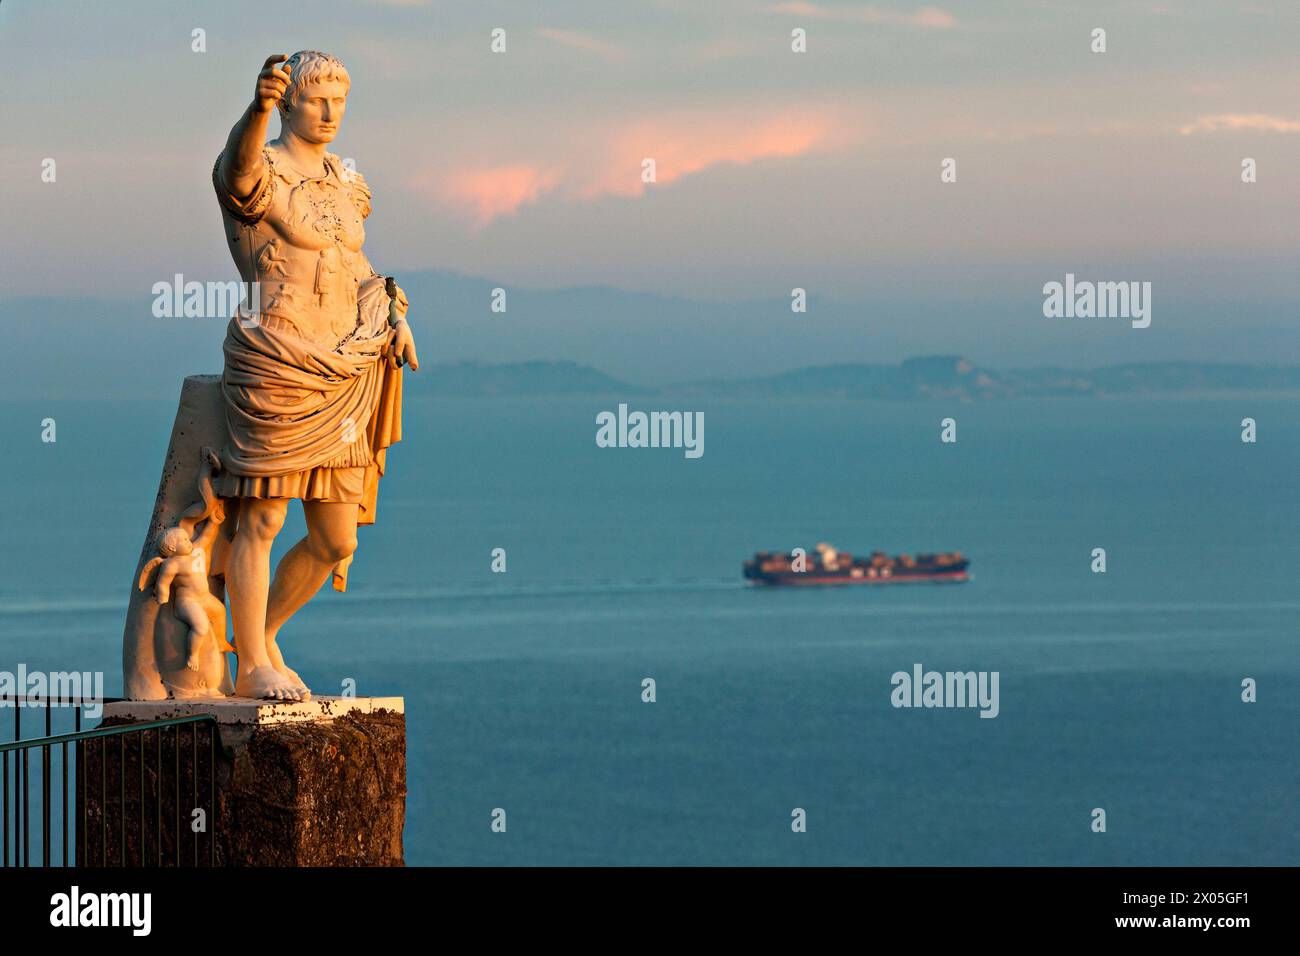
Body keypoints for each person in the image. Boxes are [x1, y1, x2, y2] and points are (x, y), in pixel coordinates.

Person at [210, 51, 419, 701]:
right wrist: (256, 108)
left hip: (348, 369)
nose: (329, 113)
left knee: (335, 537)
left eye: (339, 101)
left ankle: (255, 638)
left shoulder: (342, 181)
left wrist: (391, 310)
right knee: (263, 520)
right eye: (315, 100)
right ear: (289, 102)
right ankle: (251, 667)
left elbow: (353, 265)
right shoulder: (259, 171)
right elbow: (236, 170)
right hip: (280, 358)